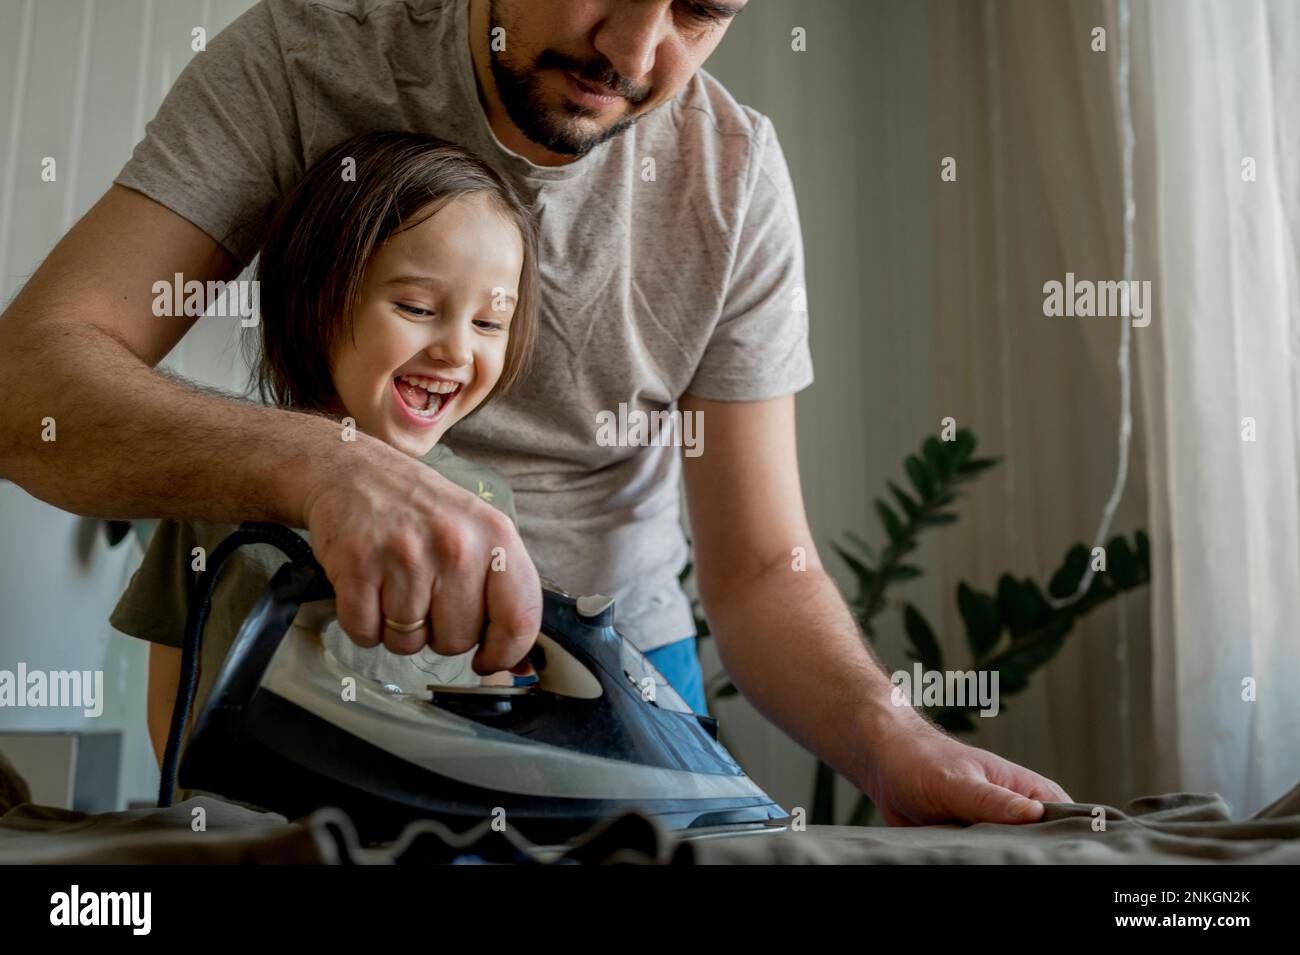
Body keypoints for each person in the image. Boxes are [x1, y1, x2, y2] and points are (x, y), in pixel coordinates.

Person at [0, 0, 1070, 824]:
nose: (637, 50)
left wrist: (888, 739)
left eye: (700, 10)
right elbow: (26, 386)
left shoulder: (731, 180)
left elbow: (756, 571)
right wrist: (328, 468)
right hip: (327, 684)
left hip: (622, 673)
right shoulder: (306, 57)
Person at [108, 130, 545, 769]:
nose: (456, 350)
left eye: (488, 323)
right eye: (417, 307)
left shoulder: (488, 504)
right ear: (317, 301)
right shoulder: (220, 484)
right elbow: (175, 693)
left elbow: (490, 691)